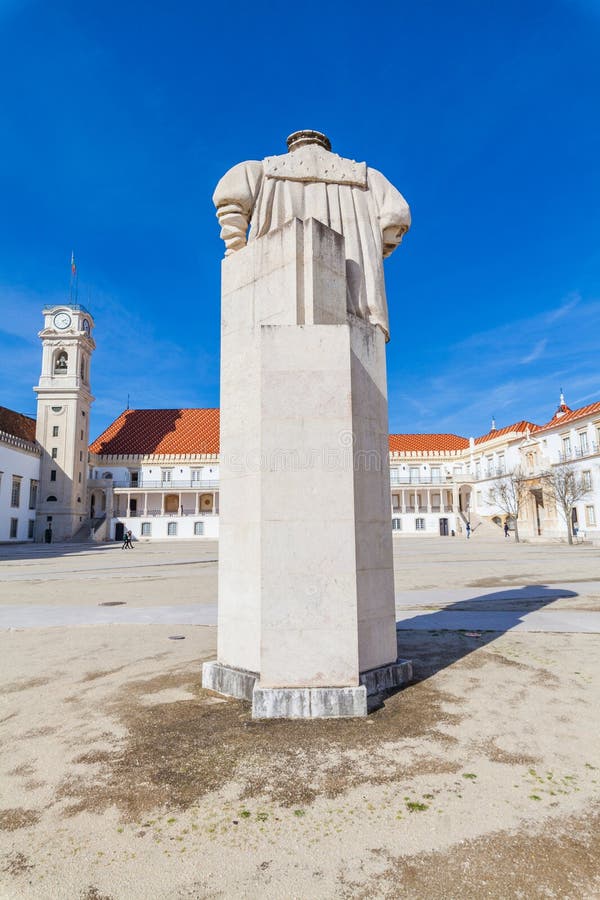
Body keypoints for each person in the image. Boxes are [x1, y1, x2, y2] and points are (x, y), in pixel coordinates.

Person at [213, 130, 411, 342]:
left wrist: (236, 250)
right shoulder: (371, 180)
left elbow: (230, 206)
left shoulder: (258, 171)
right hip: (357, 305)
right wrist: (377, 251)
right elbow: (395, 221)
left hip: (273, 298)